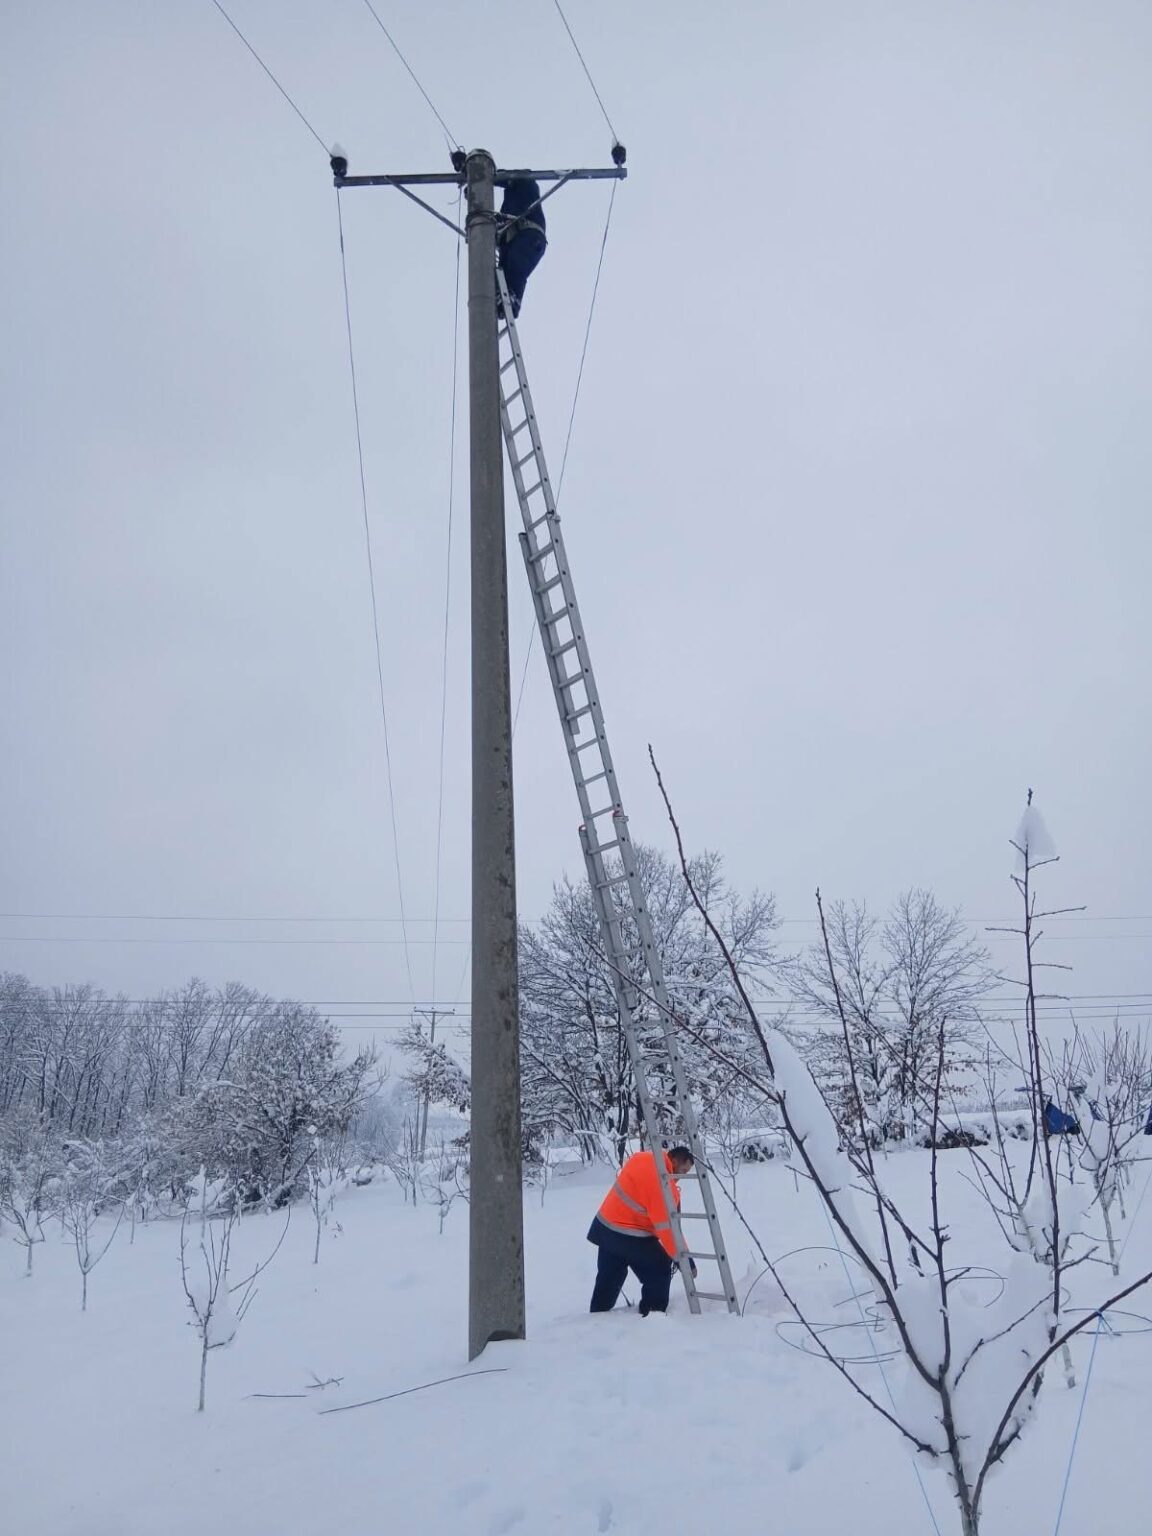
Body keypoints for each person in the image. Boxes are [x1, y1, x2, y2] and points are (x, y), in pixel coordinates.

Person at [587, 1145, 696, 1316]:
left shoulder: (643, 1158)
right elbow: (667, 1229)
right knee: (659, 1269)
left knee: (610, 1275)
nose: (681, 1177)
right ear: (673, 1161)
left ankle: (596, 1317)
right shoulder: (662, 1185)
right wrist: (684, 1260)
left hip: (606, 1226)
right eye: (682, 1170)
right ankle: (652, 1317)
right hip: (630, 1234)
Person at [496, 176, 547, 319]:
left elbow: (497, 176)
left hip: (529, 237)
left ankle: (512, 299)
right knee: (501, 273)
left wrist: (475, 174)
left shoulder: (526, 185)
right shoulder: (512, 202)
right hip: (515, 240)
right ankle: (504, 298)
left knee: (515, 264)